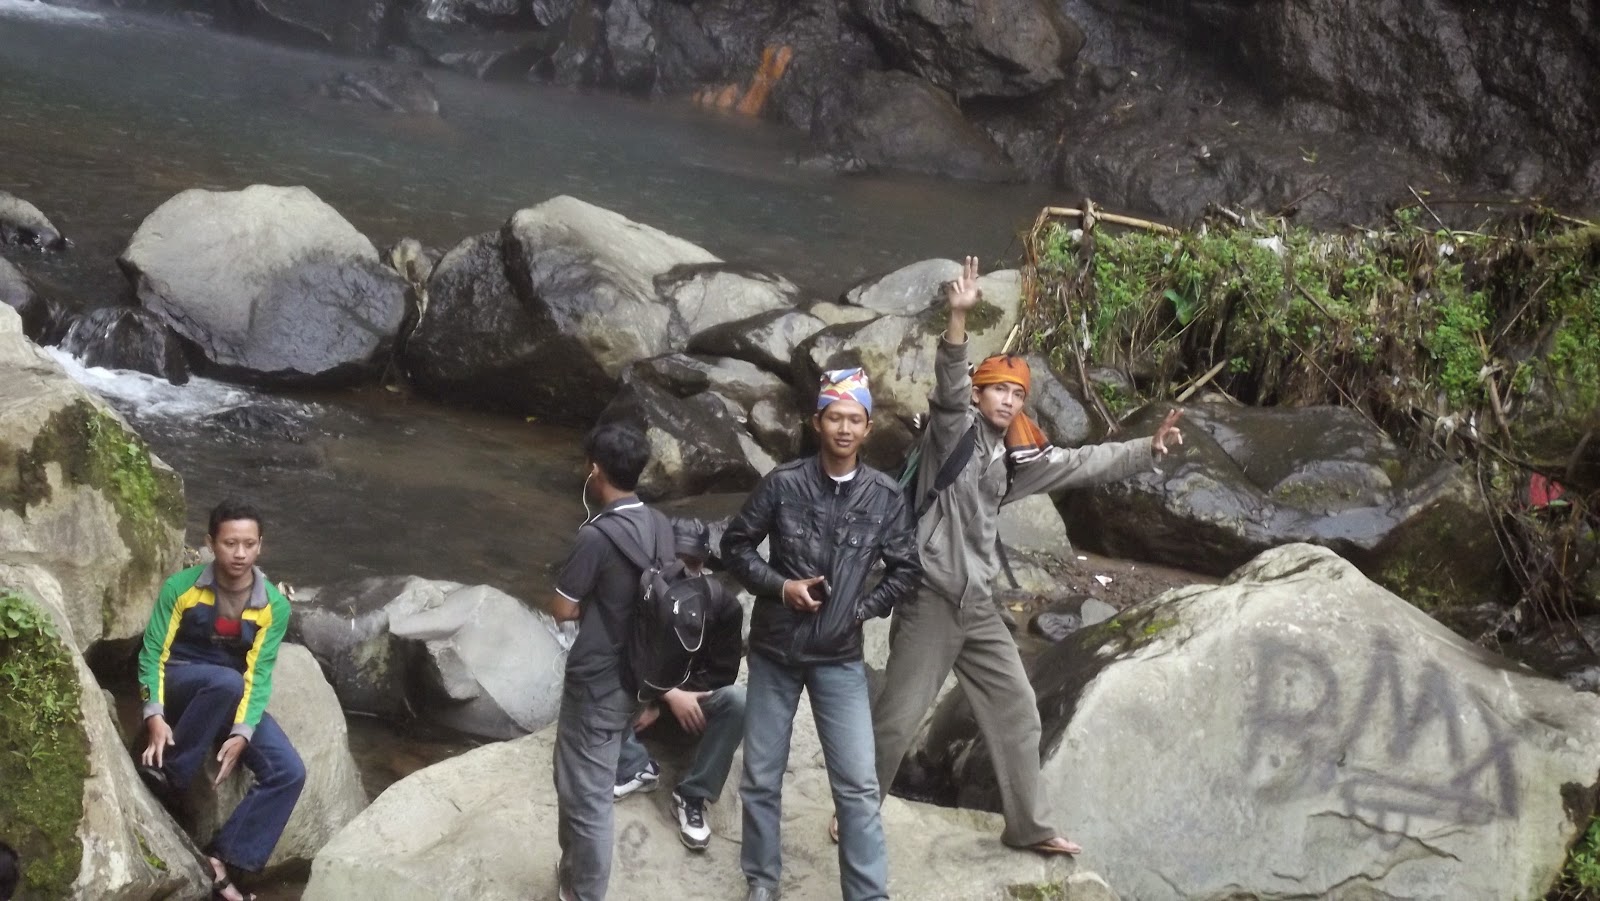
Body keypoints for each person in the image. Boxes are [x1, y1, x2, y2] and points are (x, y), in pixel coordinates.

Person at [870, 256, 1185, 857]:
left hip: (979, 608)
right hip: (931, 600)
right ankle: (858, 811)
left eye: (1018, 394)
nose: (1009, 402)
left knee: (1018, 714)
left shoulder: (1017, 457)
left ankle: (1028, 828)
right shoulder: (950, 432)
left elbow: (1086, 462)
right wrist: (958, 320)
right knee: (897, 717)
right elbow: (949, 381)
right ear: (980, 393)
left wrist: (1149, 448)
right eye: (999, 390)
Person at [722, 368, 922, 901]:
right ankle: (762, 881)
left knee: (857, 786)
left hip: (839, 657)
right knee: (762, 776)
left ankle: (867, 893)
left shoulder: (885, 497)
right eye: (835, 417)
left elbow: (906, 569)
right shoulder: (784, 484)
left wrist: (860, 609)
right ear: (817, 423)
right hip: (775, 650)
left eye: (854, 419)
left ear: (867, 427)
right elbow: (736, 546)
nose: (844, 428)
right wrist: (781, 586)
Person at [136, 500, 304, 901]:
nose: (240, 554)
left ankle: (222, 858)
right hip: (180, 678)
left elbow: (258, 675)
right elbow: (152, 653)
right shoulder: (182, 588)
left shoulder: (273, 607)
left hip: (231, 692)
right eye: (230, 543)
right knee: (226, 680)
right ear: (211, 543)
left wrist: (243, 732)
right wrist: (154, 715)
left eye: (249, 544)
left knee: (289, 771)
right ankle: (169, 773)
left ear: (260, 546)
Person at [548, 423, 659, 901]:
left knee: (587, 795)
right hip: (640, 674)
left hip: (597, 679)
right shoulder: (657, 523)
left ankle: (584, 892)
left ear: (595, 470)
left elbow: (563, 608)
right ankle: (572, 874)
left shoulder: (597, 536)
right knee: (583, 779)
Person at [613, 518, 746, 852]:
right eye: (676, 561)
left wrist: (676, 698)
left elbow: (721, 674)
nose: (683, 571)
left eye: (692, 564)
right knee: (597, 680)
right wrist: (661, 697)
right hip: (639, 704)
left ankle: (692, 796)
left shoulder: (723, 605)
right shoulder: (641, 588)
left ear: (703, 563)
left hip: (687, 711)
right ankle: (634, 765)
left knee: (737, 701)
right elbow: (619, 652)